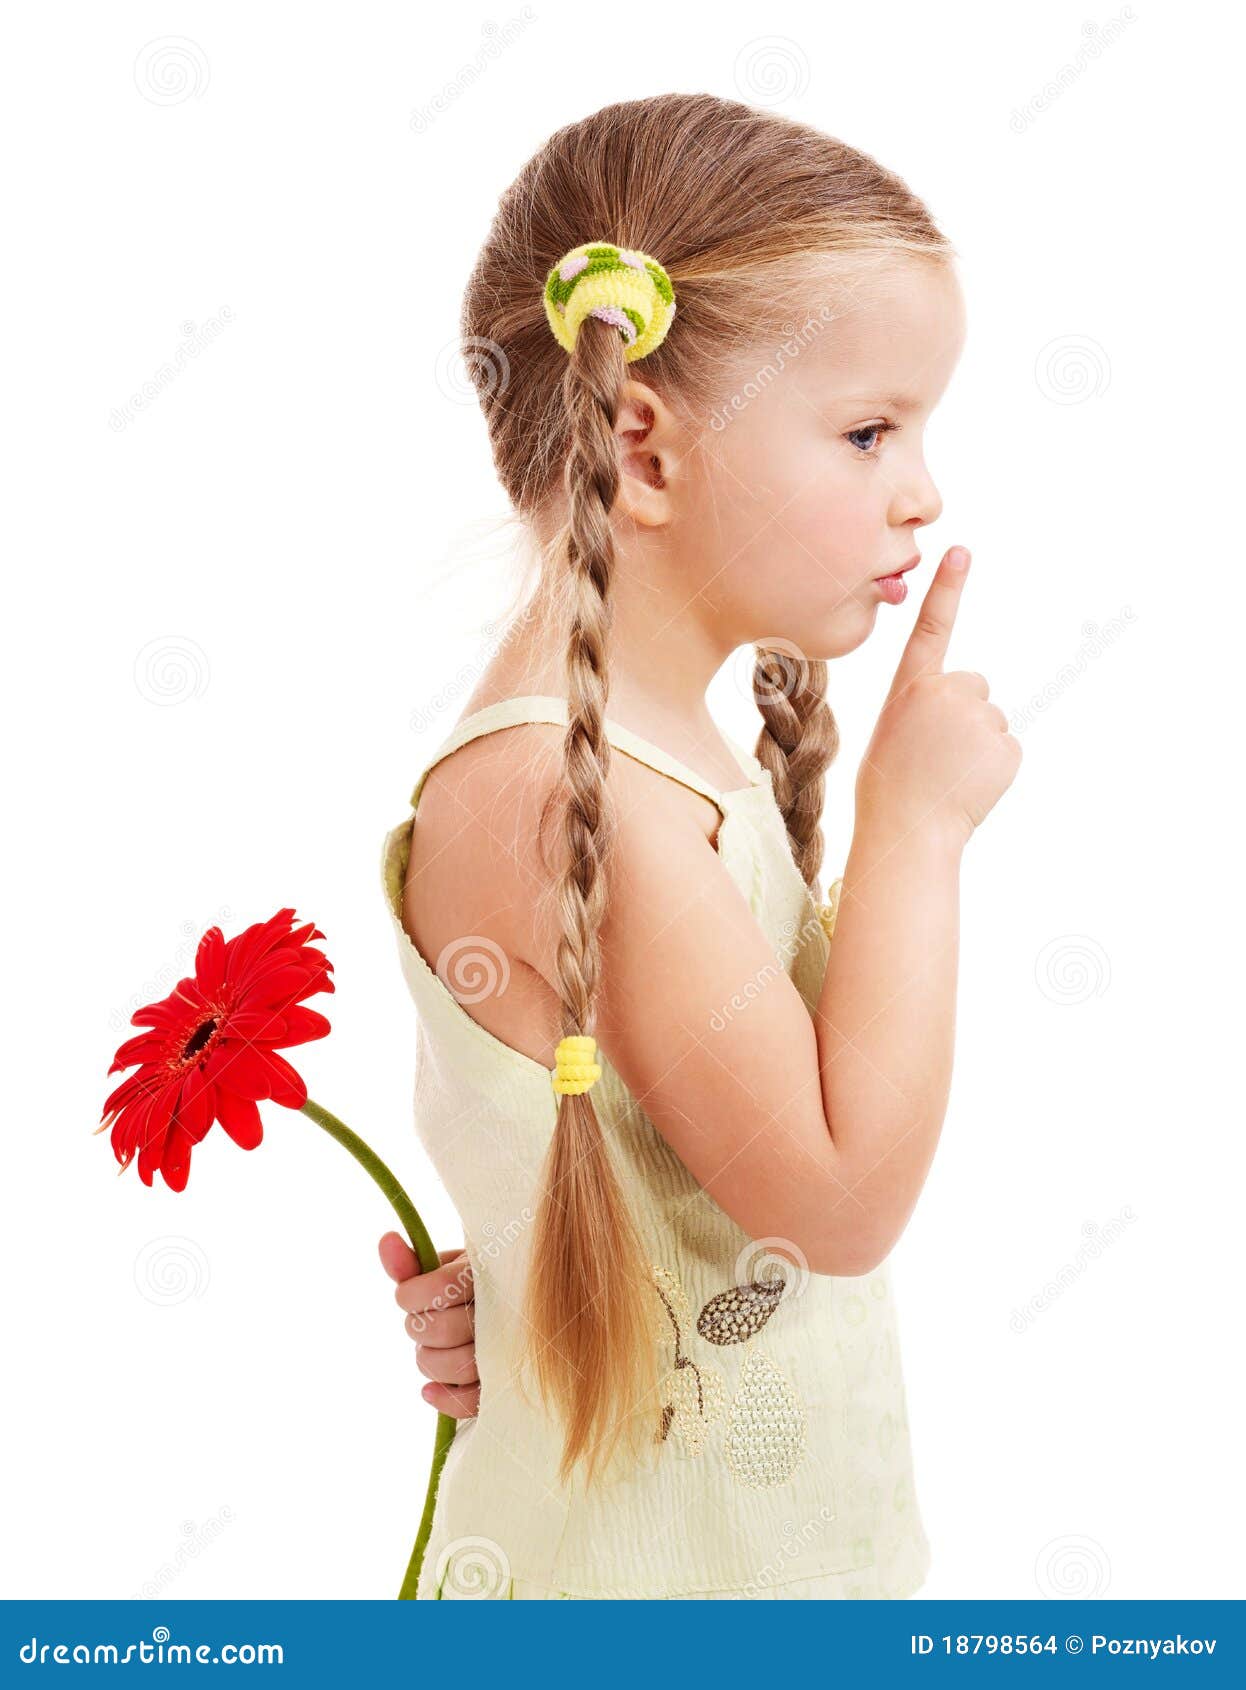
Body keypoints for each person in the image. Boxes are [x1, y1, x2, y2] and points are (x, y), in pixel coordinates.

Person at [377, 91, 1020, 1599]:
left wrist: (512, 1293)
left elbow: (646, 1174)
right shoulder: (563, 787)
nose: (918, 488)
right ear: (645, 451)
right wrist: (912, 830)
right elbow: (838, 1201)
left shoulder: (652, 757)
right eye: (867, 430)